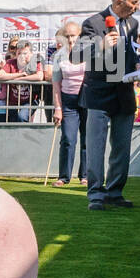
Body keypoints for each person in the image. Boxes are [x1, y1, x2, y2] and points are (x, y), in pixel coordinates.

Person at [80, 0, 140, 210]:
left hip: (124, 93)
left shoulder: (132, 24)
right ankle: (95, 193)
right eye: (134, 3)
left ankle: (115, 192)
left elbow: (130, 53)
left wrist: (138, 68)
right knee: (96, 146)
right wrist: (100, 45)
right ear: (118, 3)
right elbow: (76, 55)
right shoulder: (93, 23)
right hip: (99, 94)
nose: (137, 7)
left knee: (122, 147)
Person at [48, 22, 87, 186]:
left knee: (87, 139)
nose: (71, 39)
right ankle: (64, 176)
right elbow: (56, 85)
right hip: (68, 101)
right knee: (68, 138)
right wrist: (58, 108)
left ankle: (85, 175)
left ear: (80, 36)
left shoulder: (89, 53)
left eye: (73, 35)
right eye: (67, 36)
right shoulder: (59, 56)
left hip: (87, 99)